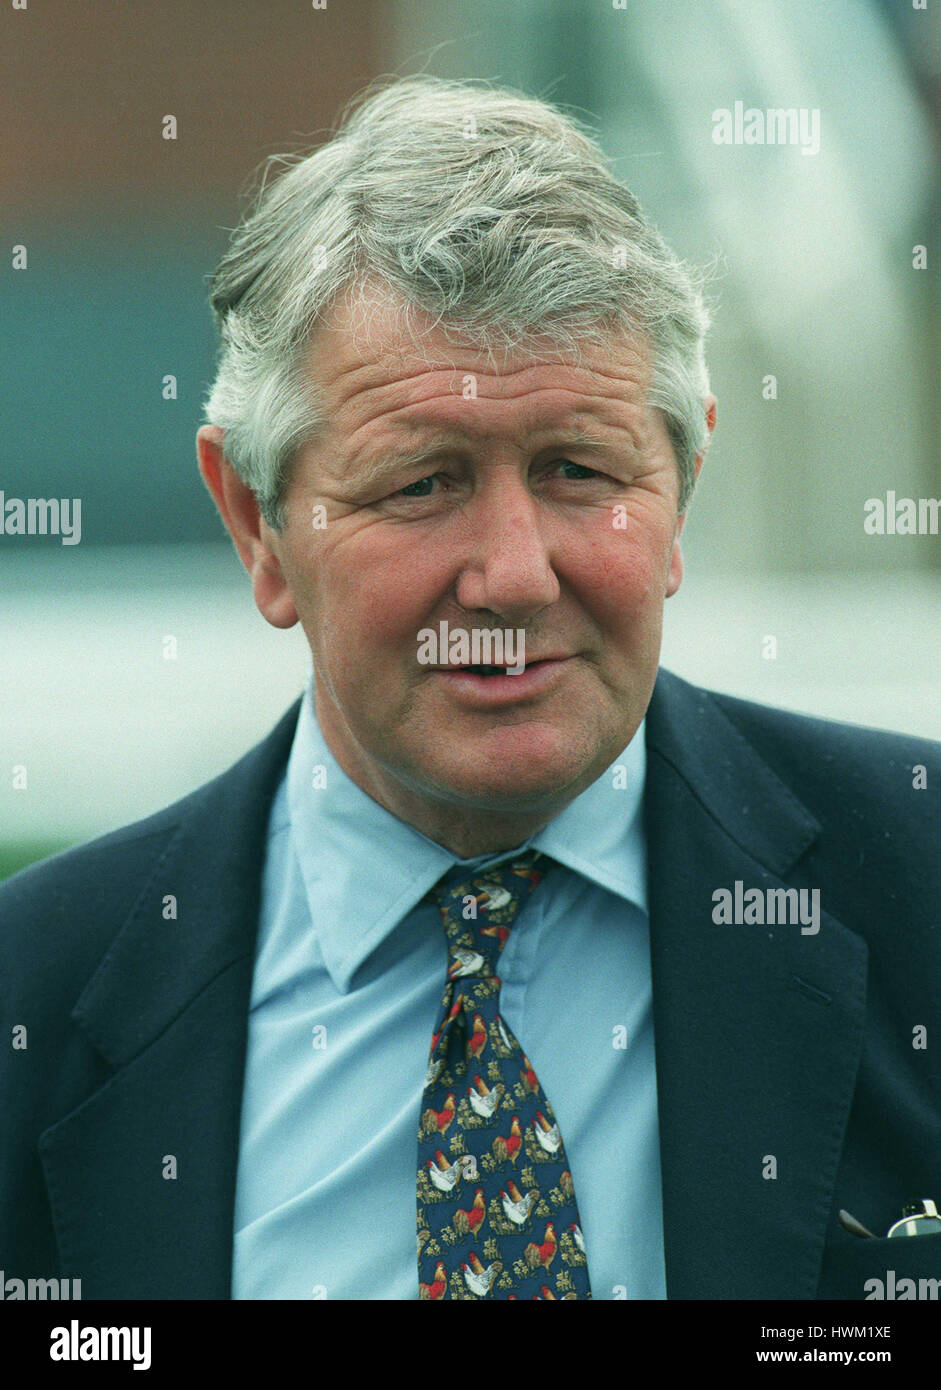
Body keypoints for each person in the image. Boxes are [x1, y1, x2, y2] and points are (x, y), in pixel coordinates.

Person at [1, 75, 938, 1302]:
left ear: (680, 492)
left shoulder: (916, 893)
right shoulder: (36, 1003)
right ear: (258, 525)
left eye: (575, 469)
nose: (509, 575)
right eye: (422, 484)